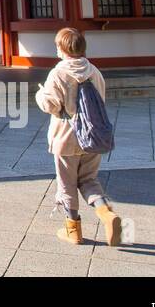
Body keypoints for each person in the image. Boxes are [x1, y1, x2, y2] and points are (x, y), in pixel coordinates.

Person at [35, 27, 122, 246]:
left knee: (66, 184)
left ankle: (73, 230)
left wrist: (39, 94)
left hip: (66, 137)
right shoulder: (93, 71)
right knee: (89, 180)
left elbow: (51, 104)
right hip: (92, 136)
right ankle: (106, 213)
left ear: (62, 48)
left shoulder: (59, 72)